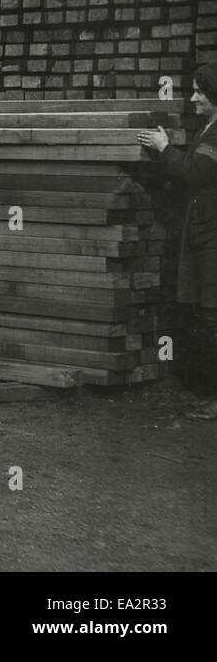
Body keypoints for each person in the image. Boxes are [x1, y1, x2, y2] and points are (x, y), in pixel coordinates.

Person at [138, 61, 217, 421]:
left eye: (200, 91)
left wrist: (164, 147)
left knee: (213, 315)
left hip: (213, 237)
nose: (193, 97)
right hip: (205, 233)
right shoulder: (209, 127)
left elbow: (194, 174)